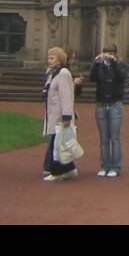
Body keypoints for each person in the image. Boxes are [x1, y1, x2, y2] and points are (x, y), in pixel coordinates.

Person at [89, 42, 129, 178]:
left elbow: (122, 77)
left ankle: (116, 166)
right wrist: (96, 64)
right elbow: (92, 78)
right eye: (106, 53)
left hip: (115, 104)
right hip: (101, 104)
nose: (108, 56)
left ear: (115, 54)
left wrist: (114, 63)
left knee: (115, 138)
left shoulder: (119, 65)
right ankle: (104, 165)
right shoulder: (100, 66)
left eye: (111, 53)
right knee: (104, 138)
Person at [42, 47, 77, 182]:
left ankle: (57, 171)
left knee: (57, 144)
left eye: (52, 58)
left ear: (59, 60)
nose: (49, 60)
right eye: (49, 58)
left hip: (60, 115)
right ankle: (69, 169)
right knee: (60, 143)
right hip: (53, 114)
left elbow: (66, 96)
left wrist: (67, 115)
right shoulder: (52, 73)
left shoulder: (63, 73)